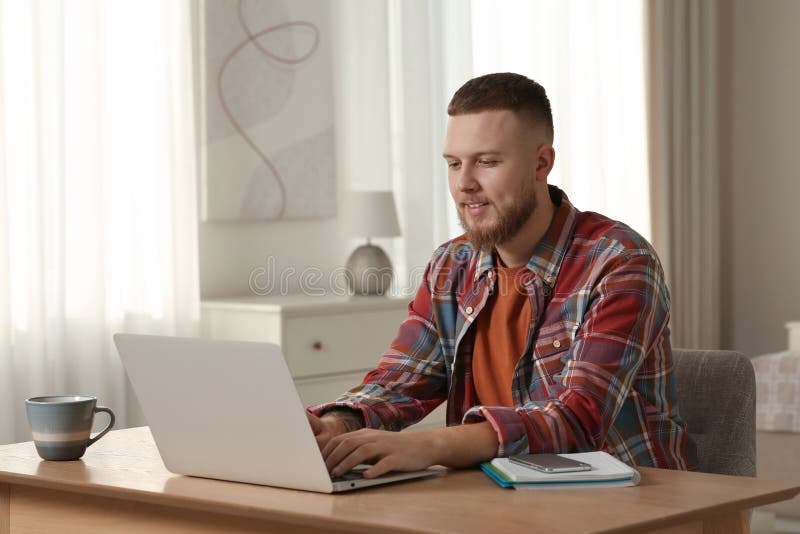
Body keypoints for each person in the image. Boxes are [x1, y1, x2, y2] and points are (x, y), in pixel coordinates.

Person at [307, 72, 696, 479]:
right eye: (454, 164)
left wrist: (429, 445)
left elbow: (578, 420)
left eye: (487, 162)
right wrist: (335, 425)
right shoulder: (451, 265)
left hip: (629, 497)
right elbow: (401, 381)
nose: (464, 183)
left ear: (541, 163)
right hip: (495, 495)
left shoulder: (618, 262)